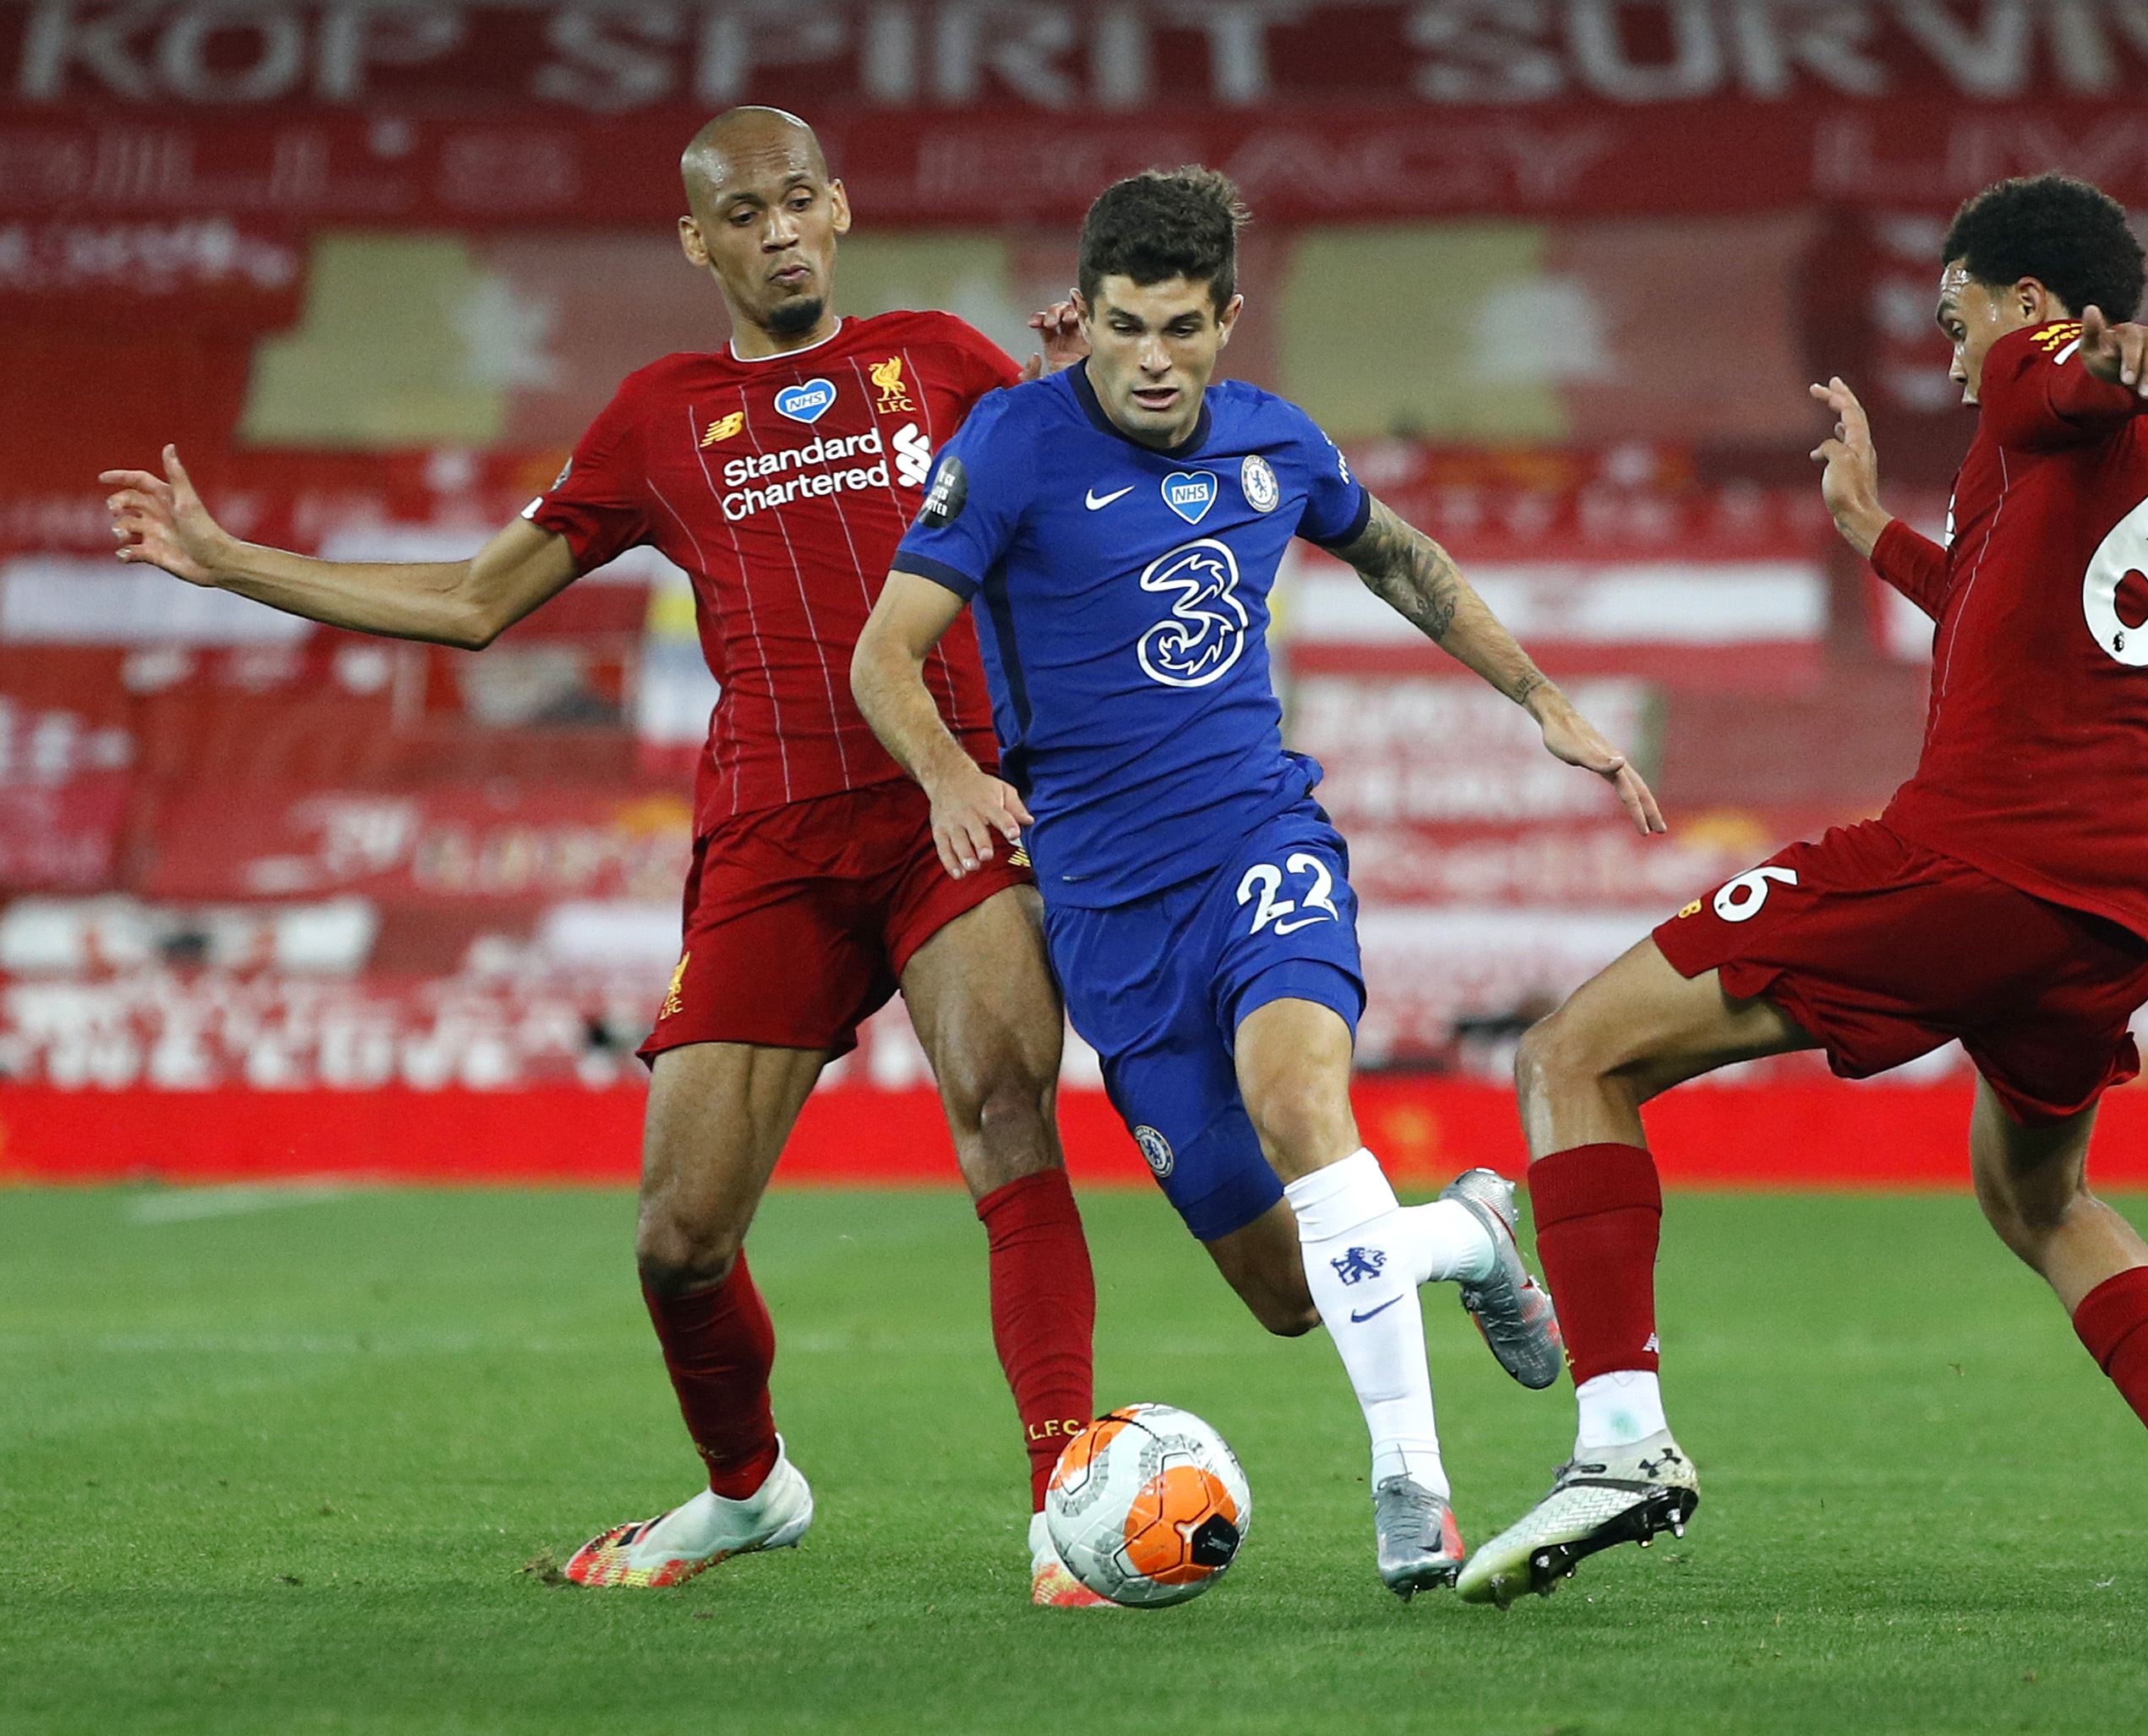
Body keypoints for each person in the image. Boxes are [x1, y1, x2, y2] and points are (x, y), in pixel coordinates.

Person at [102, 106, 1116, 1606]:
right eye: (743, 213)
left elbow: (1085, 492)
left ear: (836, 210)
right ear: (696, 242)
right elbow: (468, 601)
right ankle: (750, 1490)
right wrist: (235, 560)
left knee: (1007, 1116)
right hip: (771, 836)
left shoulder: (943, 363)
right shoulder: (662, 414)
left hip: (944, 806)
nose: (777, 231)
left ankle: (1067, 1507)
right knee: (678, 1242)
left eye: (795, 201)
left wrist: (1082, 388)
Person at [1458, 173, 2148, 1628]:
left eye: (1959, 317)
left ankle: (1619, 1447)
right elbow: (2009, 605)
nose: (1953, 350)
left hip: (1973, 863)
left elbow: (2071, 386)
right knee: (2041, 1196)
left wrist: (2113, 358)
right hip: (2110, 911)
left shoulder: (2058, 381)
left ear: (2030, 306)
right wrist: (1869, 530)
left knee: (1569, 1055)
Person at [852, 166, 1661, 1598]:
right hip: (1106, 915)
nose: (1152, 360)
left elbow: (1396, 555)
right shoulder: (1014, 446)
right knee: (1290, 1292)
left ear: (1228, 318)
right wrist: (947, 774)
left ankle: (1410, 1487)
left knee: (1304, 1105)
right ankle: (1470, 1232)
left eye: (1180, 327)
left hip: (1257, 844)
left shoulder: (1278, 442)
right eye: (1122, 328)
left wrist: (1538, 696)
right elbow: (885, 653)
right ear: (1085, 320)